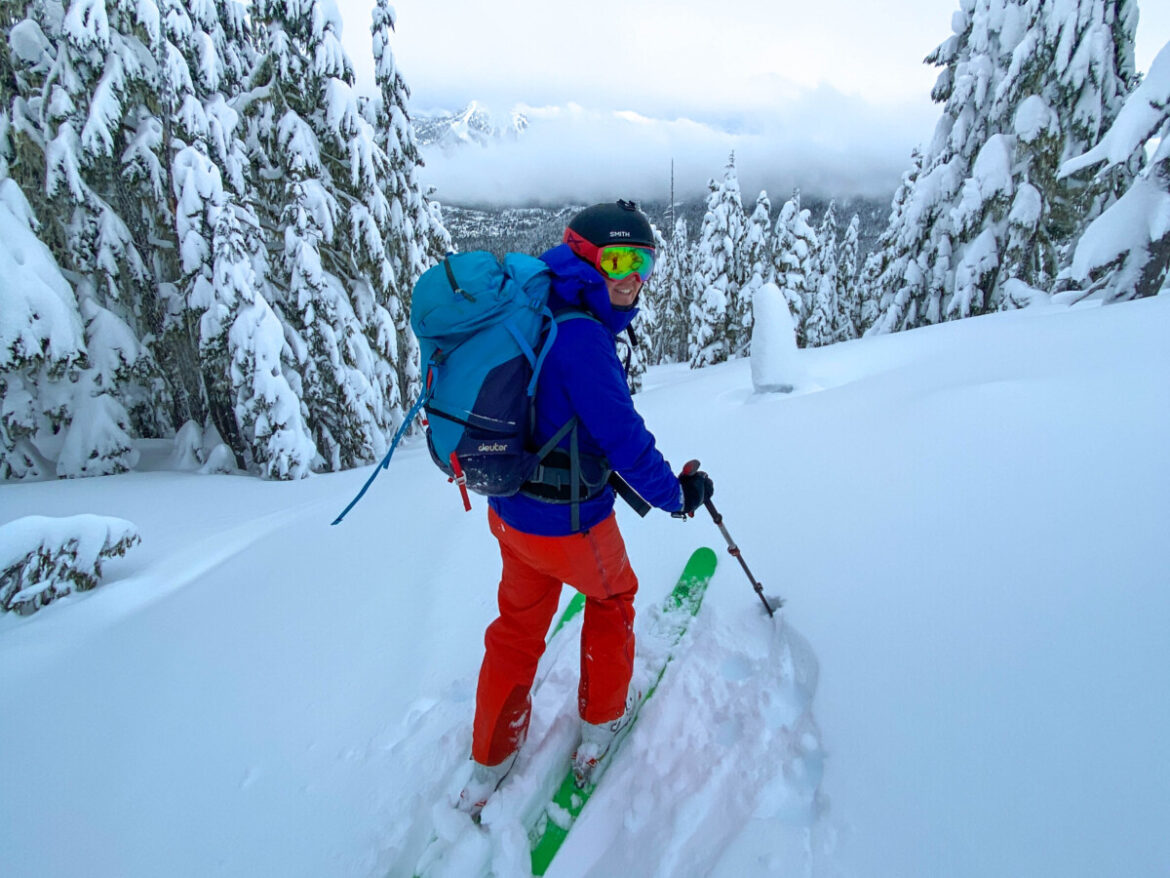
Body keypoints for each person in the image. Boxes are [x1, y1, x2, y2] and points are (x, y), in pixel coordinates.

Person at [457, 200, 714, 817]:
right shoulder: (583, 340)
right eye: (620, 260)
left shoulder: (538, 305)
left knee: (517, 628)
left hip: (511, 515)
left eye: (644, 263)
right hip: (572, 524)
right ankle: (600, 730)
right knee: (612, 597)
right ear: (584, 257)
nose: (633, 278)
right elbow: (625, 438)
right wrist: (676, 496)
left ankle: (490, 757)